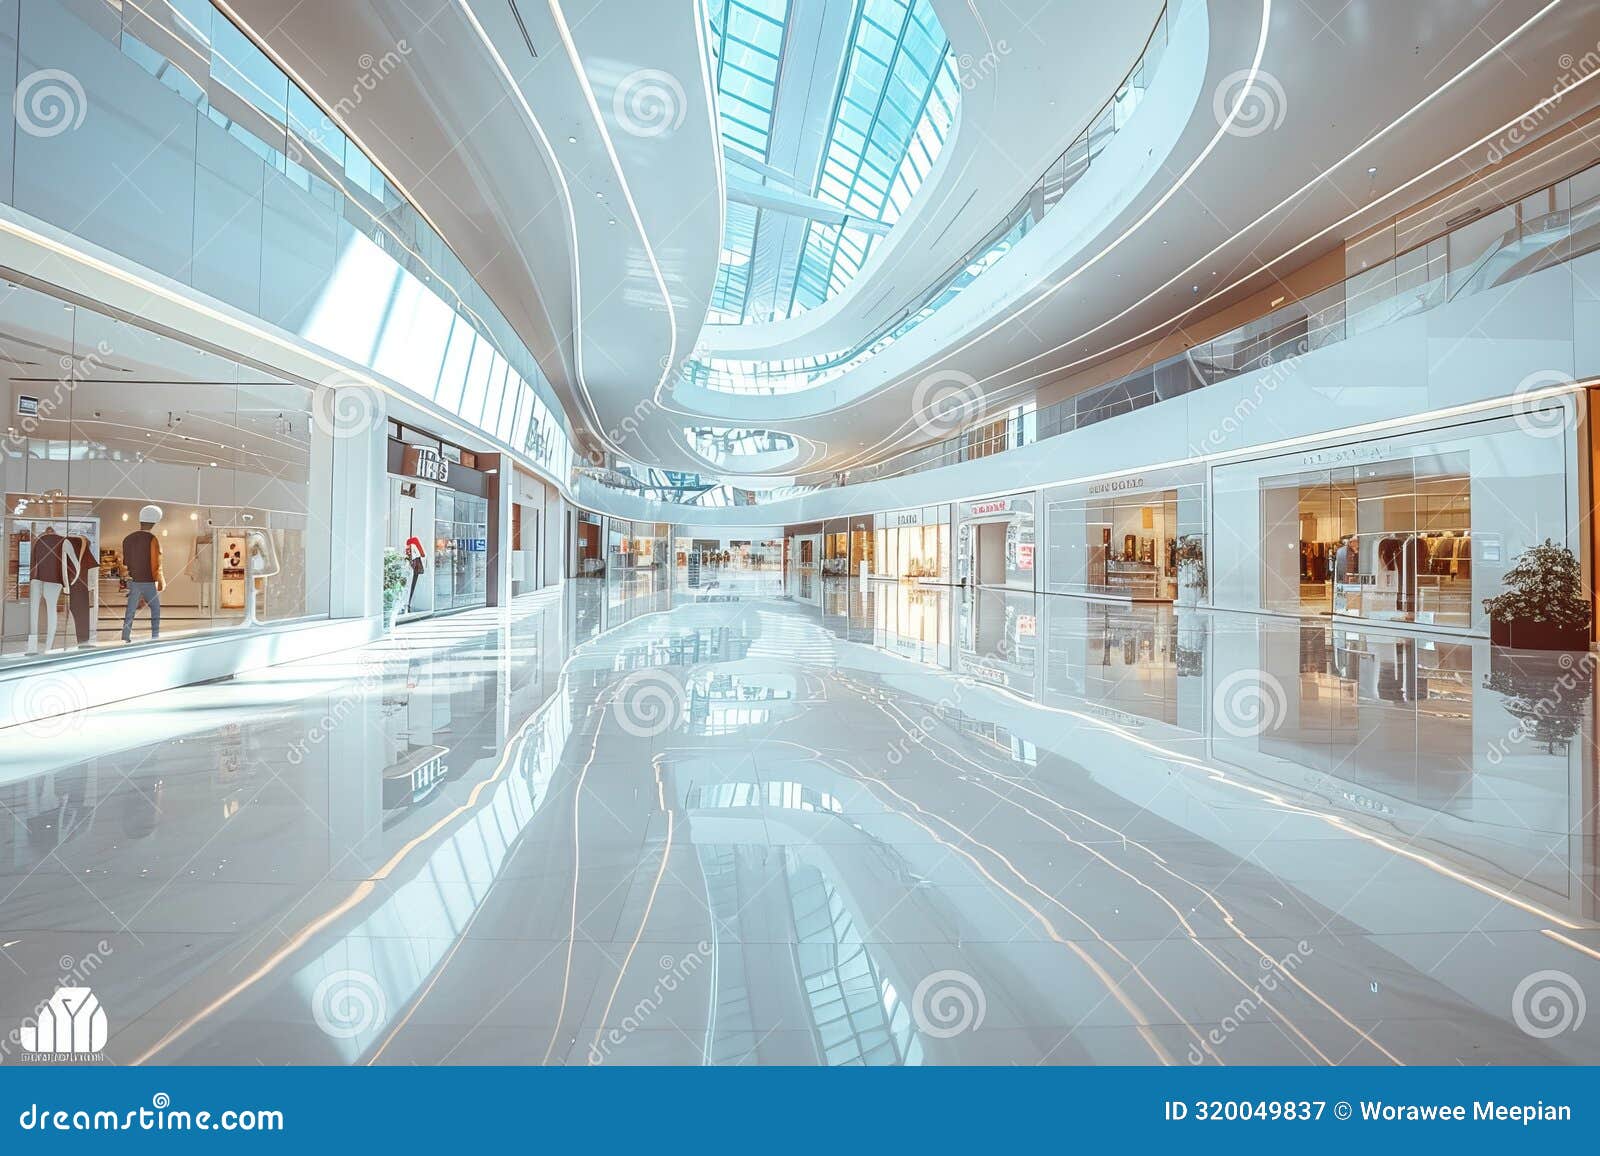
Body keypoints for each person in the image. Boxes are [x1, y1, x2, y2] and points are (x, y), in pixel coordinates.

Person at [122, 505, 165, 642]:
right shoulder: (153, 540)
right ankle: (155, 636)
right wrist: (160, 580)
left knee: (130, 611)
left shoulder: (128, 539)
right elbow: (156, 563)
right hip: (147, 581)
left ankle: (125, 636)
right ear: (153, 523)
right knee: (155, 609)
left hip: (134, 581)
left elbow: (125, 561)